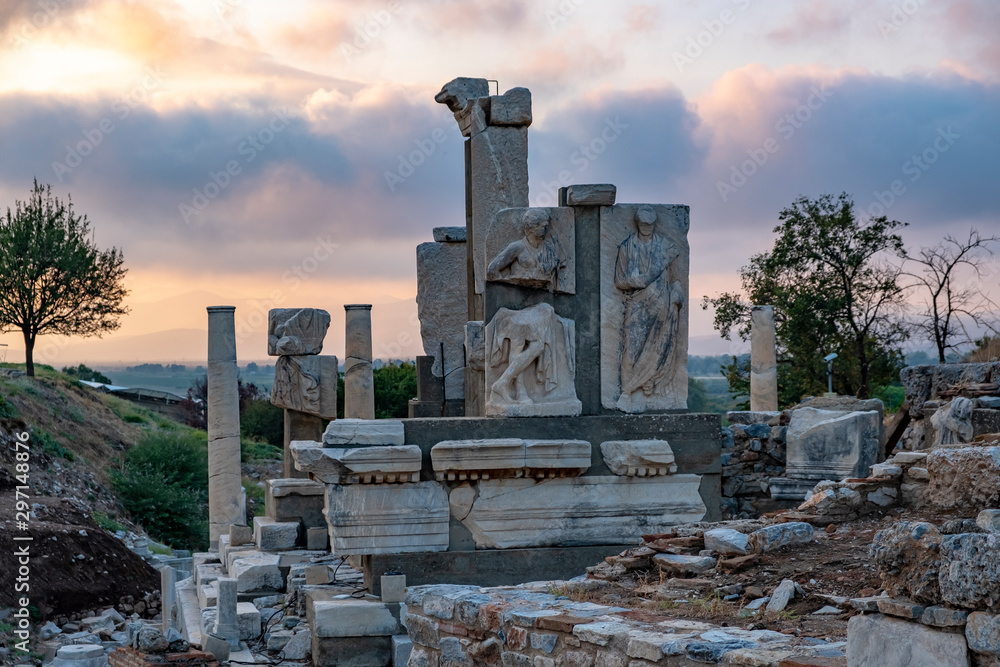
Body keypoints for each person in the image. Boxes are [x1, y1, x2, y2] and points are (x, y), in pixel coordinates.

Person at [614, 205, 684, 411]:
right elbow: (619, 280)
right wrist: (634, 282)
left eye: (650, 224)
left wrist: (677, 293)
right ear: (637, 223)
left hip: (662, 303)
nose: (647, 227)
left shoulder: (667, 247)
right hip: (637, 302)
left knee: (658, 345)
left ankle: (649, 385)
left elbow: (677, 278)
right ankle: (627, 390)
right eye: (643, 224)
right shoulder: (627, 247)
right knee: (631, 348)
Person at [487, 208, 564, 291]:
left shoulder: (549, 247)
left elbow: (558, 272)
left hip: (544, 293)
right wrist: (505, 289)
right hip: (518, 293)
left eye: (547, 226)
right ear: (532, 227)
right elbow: (492, 269)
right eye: (543, 226)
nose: (546, 229)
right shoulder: (518, 247)